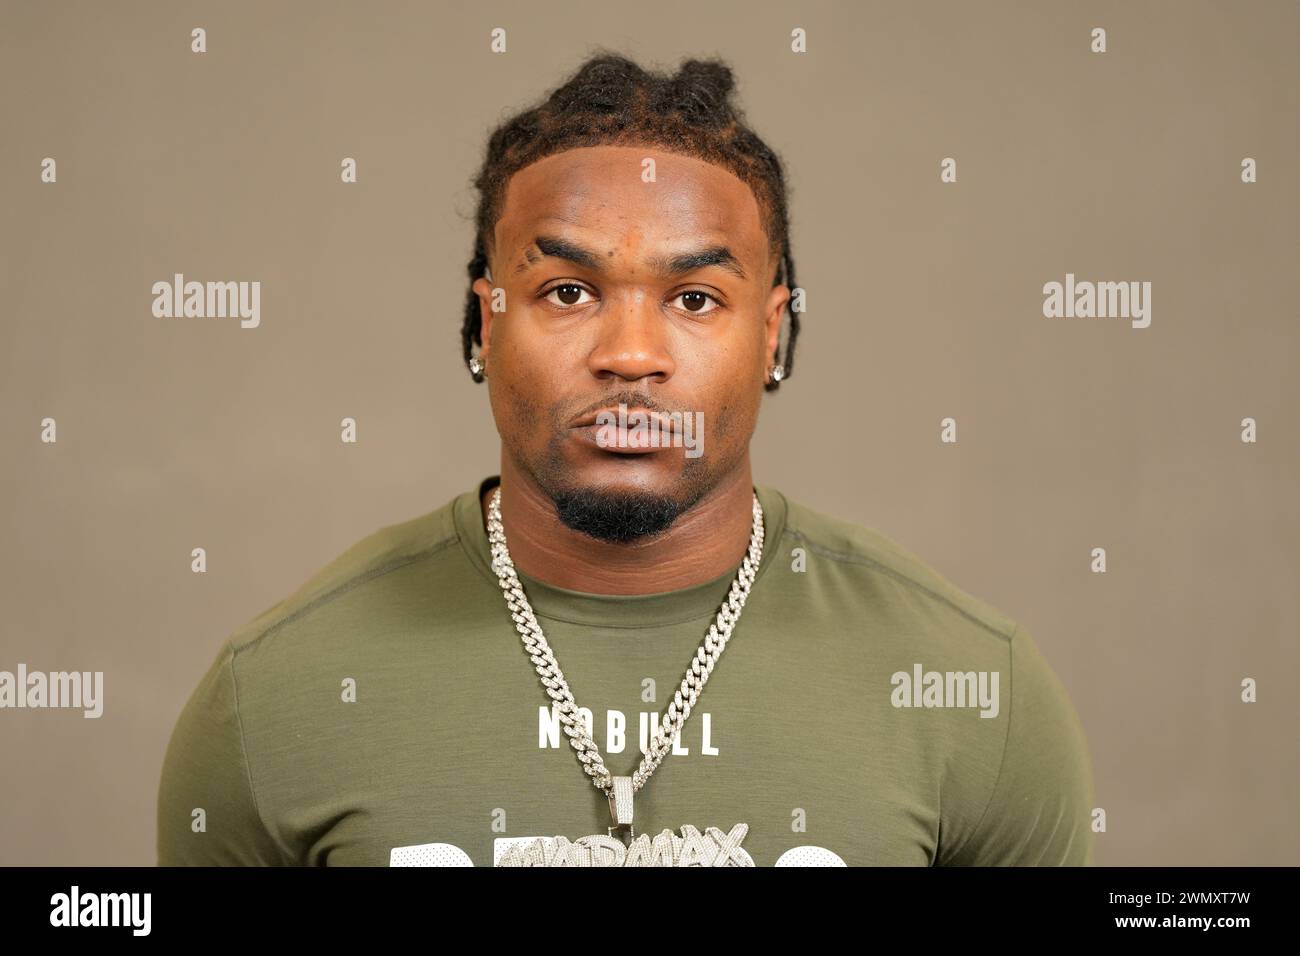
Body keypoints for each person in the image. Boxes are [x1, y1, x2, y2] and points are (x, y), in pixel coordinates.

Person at [157, 52, 1094, 867]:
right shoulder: (277, 696)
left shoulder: (976, 693)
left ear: (772, 335)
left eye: (694, 298)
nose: (630, 353)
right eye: (568, 290)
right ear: (485, 322)